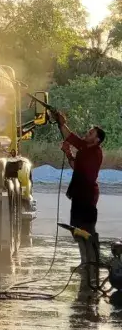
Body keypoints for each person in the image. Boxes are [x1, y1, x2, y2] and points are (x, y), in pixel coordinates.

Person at [54, 111, 105, 278]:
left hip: (87, 197)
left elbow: (78, 166)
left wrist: (63, 126)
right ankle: (86, 262)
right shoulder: (85, 148)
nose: (87, 133)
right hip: (79, 195)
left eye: (91, 133)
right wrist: (62, 125)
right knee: (77, 230)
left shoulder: (94, 153)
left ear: (97, 140)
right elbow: (72, 143)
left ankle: (91, 263)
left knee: (85, 230)